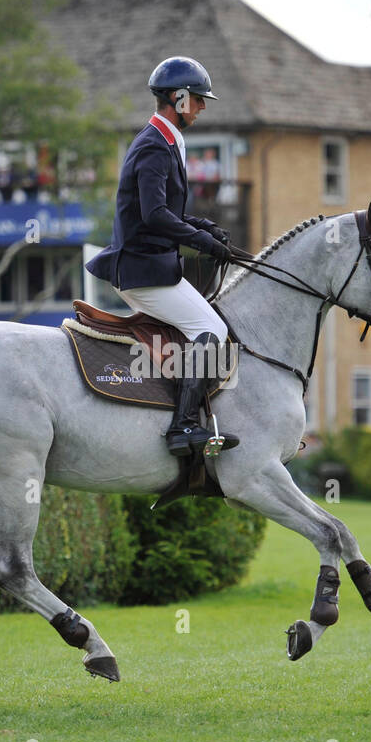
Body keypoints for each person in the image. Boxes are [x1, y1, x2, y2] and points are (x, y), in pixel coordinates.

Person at [85, 56, 249, 456]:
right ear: (178, 98)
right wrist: (200, 241)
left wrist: (205, 228)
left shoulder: (164, 141)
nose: (203, 107)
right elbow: (154, 215)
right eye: (198, 99)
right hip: (143, 272)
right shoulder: (155, 146)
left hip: (152, 268)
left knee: (210, 325)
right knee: (211, 331)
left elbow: (164, 210)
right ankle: (182, 428)